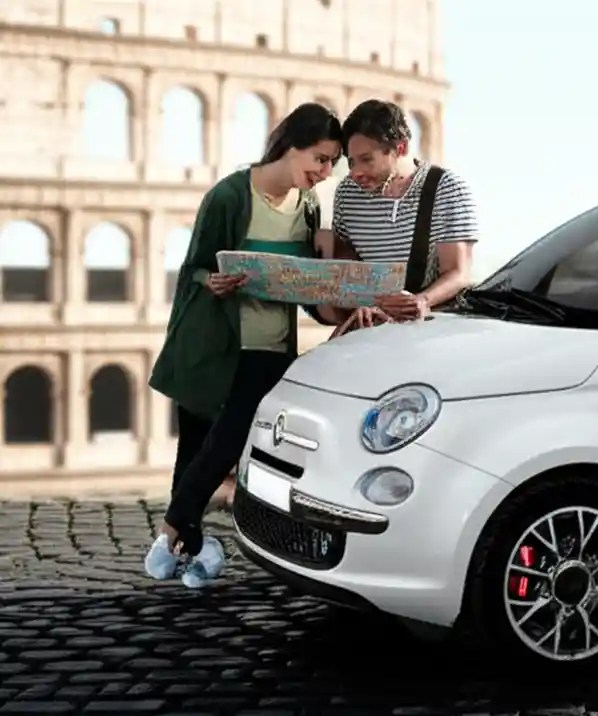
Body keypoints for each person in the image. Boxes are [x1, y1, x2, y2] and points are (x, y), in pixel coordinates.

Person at [145, 102, 345, 588]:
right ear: (291, 145)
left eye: (330, 165)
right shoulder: (230, 195)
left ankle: (171, 528)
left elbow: (308, 295)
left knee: (230, 438)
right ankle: (188, 552)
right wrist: (210, 280)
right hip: (214, 346)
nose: (323, 172)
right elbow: (192, 266)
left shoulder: (310, 208)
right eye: (319, 159)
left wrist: (338, 289)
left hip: (271, 347)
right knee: (195, 450)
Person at [325, 98, 479, 331]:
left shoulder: (447, 188)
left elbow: (459, 272)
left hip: (429, 330)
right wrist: (359, 303)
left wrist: (422, 301)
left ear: (401, 148)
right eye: (351, 162)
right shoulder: (347, 193)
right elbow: (349, 268)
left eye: (367, 160)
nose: (356, 172)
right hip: (370, 330)